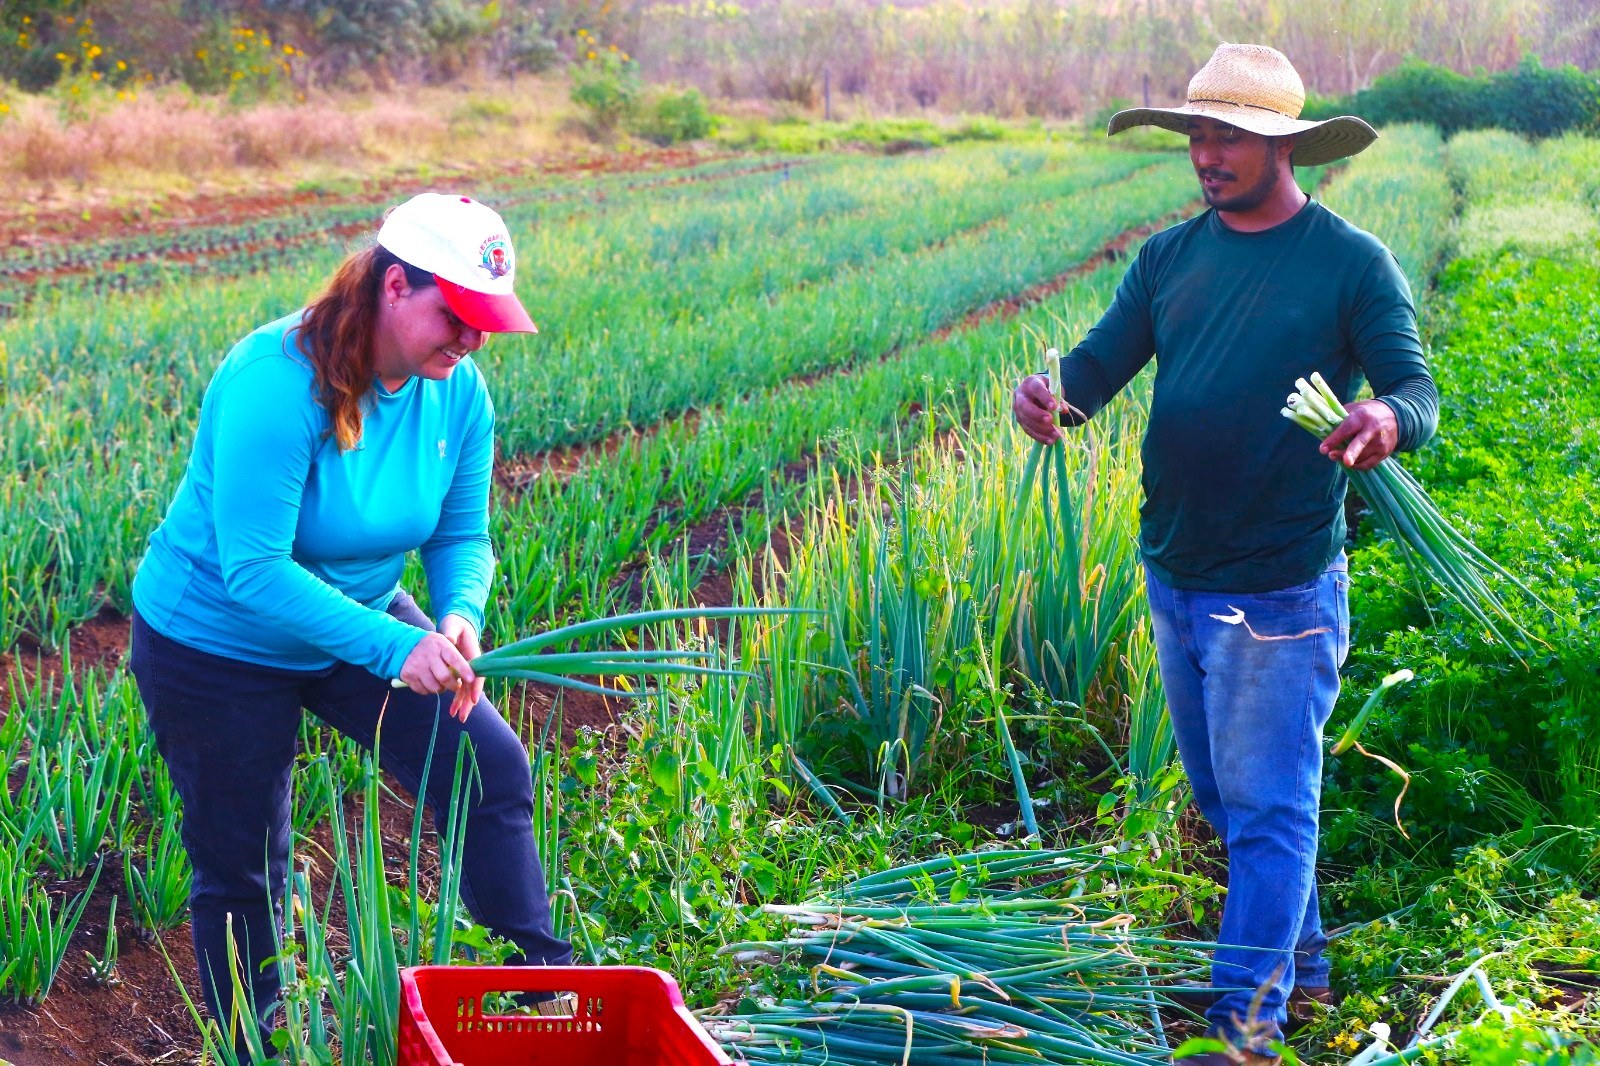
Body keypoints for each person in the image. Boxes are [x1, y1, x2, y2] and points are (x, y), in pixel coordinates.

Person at [1012, 44, 1438, 1065]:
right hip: (1176, 566)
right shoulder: (1168, 257)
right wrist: (1048, 399)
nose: (1205, 155)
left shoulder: (1349, 262)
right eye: (1195, 135)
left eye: (1228, 138)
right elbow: (1095, 369)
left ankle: (1243, 1027)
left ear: (1282, 144)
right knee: (1225, 800)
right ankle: (1306, 976)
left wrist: (1384, 414)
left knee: (1266, 807)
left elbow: (1416, 391)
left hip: (1280, 583)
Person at [128, 192, 571, 1056]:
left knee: (487, 762)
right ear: (394, 285)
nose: (473, 340)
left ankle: (539, 996)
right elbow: (253, 571)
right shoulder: (275, 379)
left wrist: (455, 616)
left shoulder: (457, 391)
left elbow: (462, 531)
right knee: (245, 858)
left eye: (487, 324)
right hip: (216, 639)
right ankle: (256, 1044)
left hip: (358, 614)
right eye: (457, 317)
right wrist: (398, 647)